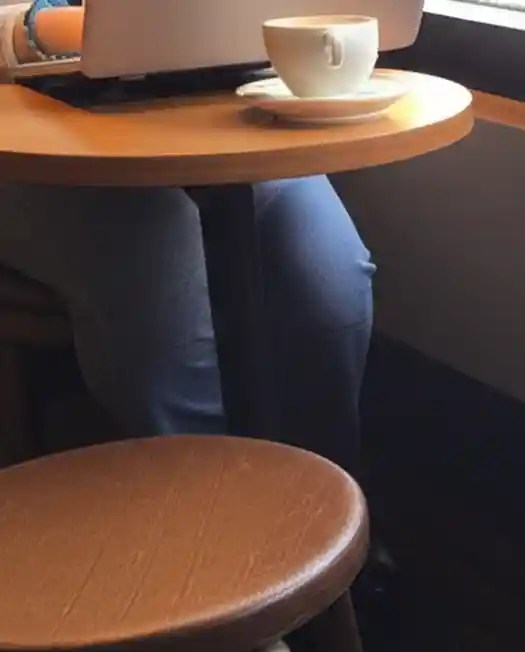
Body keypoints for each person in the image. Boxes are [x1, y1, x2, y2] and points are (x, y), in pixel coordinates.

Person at [0, 0, 374, 472]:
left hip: (172, 106)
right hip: (23, 142)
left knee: (329, 272)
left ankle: (322, 507)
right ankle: (206, 513)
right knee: (155, 239)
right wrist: (42, 27)